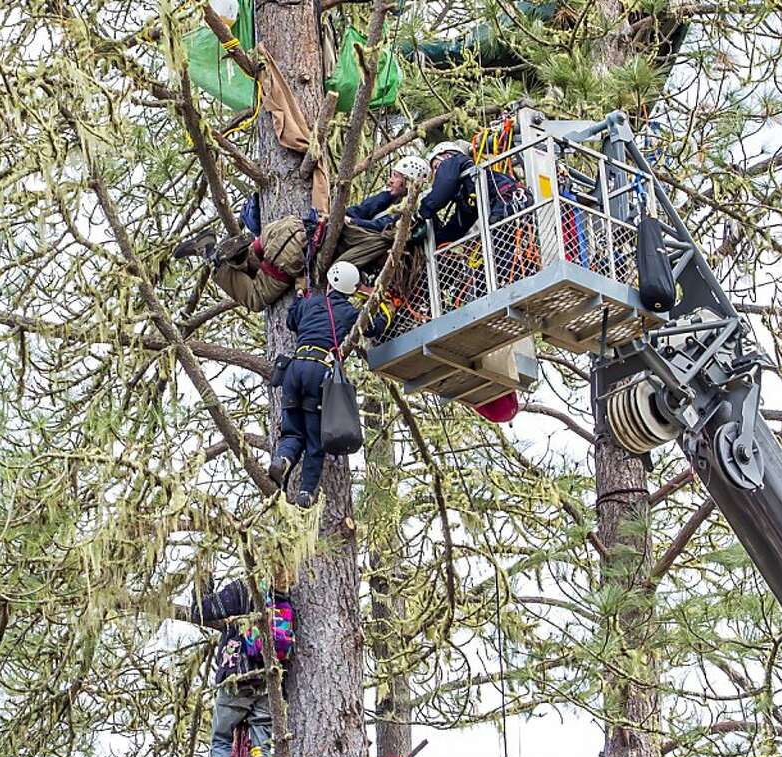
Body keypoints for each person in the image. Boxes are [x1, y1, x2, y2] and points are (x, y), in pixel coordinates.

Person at [173, 156, 429, 312]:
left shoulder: (349, 222)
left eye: (396, 177)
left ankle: (238, 255)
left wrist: (392, 196)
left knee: (251, 265)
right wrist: (359, 287)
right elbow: (339, 267)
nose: (390, 179)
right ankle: (212, 256)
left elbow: (363, 209)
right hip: (293, 253)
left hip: (285, 228)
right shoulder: (379, 239)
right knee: (256, 297)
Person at [268, 260, 393, 507]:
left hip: (295, 368)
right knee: (315, 439)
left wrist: (301, 292)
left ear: (330, 284)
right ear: (352, 290)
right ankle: (305, 493)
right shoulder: (350, 314)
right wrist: (388, 308)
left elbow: (292, 320)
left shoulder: (311, 303)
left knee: (293, 430)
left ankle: (282, 459)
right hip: (320, 371)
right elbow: (375, 328)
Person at [192, 573, 295, 757]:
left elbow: (201, 611)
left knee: (221, 740)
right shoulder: (290, 595)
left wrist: (202, 584)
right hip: (269, 684)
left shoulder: (243, 589)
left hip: (238, 678)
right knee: (261, 748)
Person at [418, 139, 529, 281]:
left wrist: (422, 211)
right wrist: (437, 241)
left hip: (507, 200)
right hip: (505, 204)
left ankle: (508, 280)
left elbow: (442, 190)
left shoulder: (454, 161)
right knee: (493, 252)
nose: (436, 173)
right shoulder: (468, 192)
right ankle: (503, 281)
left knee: (496, 241)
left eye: (436, 167)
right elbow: (458, 225)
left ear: (446, 156)